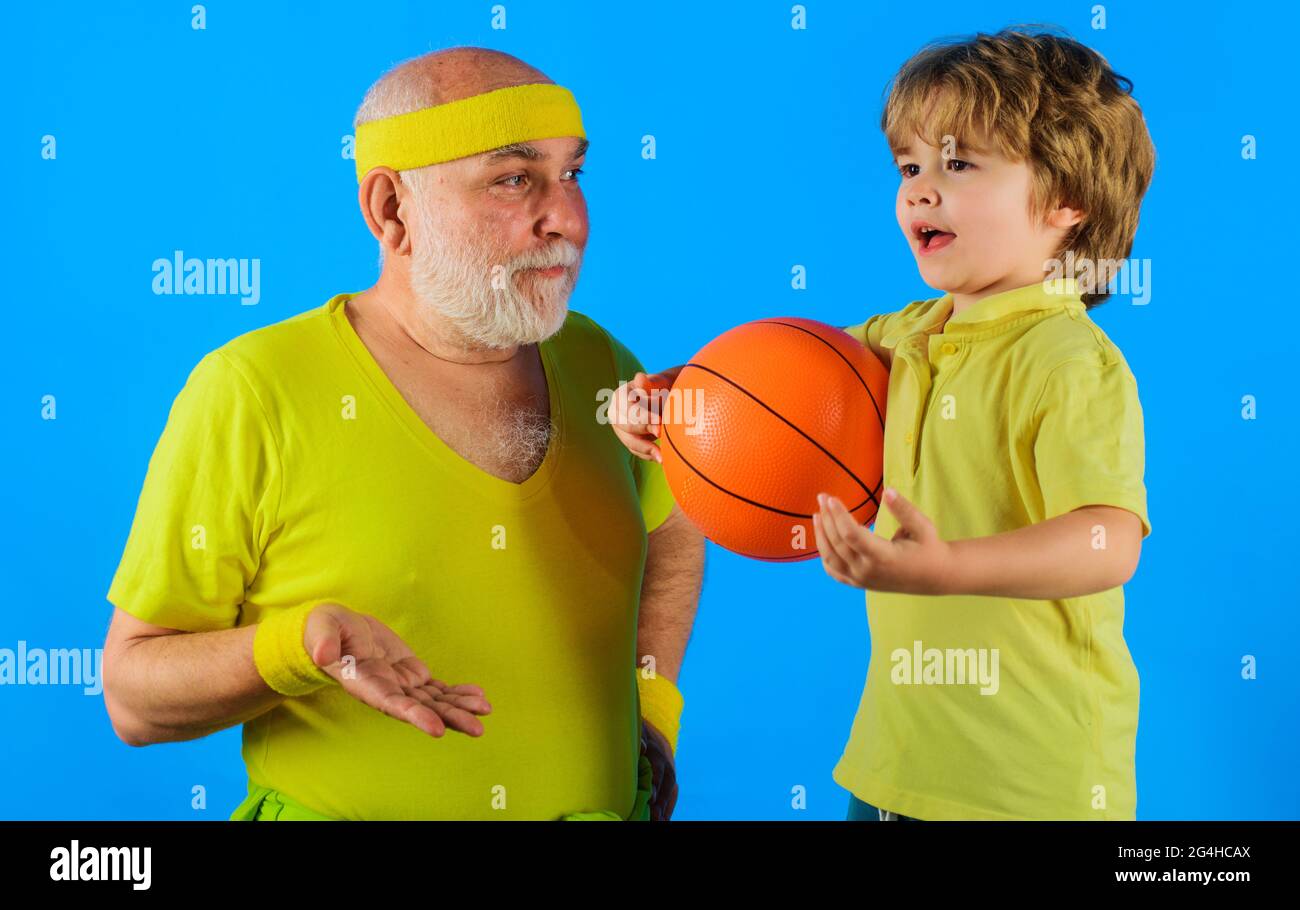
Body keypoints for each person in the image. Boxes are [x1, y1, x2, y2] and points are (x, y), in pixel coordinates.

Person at [102, 46, 705, 821]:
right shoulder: (252, 392)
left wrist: (652, 707)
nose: (571, 221)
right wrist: (299, 646)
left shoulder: (601, 363)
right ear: (391, 209)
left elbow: (676, 518)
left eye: (573, 175)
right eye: (515, 179)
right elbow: (132, 695)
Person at [612, 27, 1154, 820]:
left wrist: (947, 568)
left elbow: (1108, 542)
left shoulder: (1068, 361)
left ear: (1067, 198)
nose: (918, 191)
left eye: (958, 164)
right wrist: (673, 403)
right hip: (893, 769)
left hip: (1030, 784)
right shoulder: (900, 338)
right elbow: (768, 394)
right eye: (909, 167)